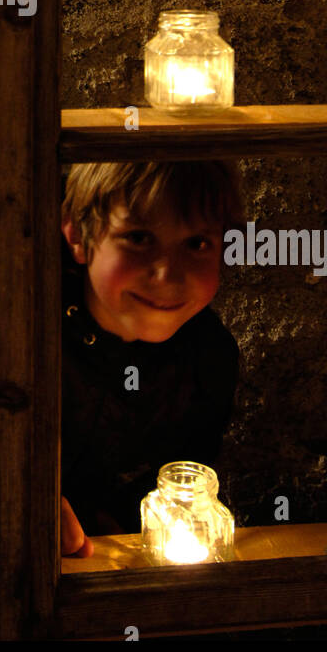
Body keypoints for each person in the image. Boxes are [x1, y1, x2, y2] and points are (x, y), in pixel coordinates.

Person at [60, 160, 244, 557]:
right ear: (77, 232)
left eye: (197, 243)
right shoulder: (17, 333)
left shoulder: (209, 359)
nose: (168, 275)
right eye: (140, 238)